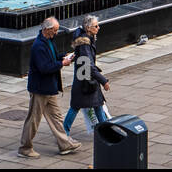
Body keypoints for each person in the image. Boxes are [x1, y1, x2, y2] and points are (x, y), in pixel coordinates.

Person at [17, 17, 80, 157]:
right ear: (48, 29)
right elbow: (44, 68)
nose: (56, 33)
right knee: (33, 119)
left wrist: (65, 56)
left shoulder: (48, 41)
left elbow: (53, 57)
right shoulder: (39, 46)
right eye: (55, 30)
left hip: (49, 88)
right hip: (39, 89)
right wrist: (62, 64)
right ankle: (25, 148)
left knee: (56, 117)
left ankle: (65, 144)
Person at [63, 15, 111, 139]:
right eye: (96, 26)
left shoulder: (86, 38)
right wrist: (103, 80)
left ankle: (104, 132)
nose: (98, 28)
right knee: (77, 106)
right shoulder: (84, 43)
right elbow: (88, 65)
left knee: (97, 105)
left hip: (84, 77)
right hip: (84, 79)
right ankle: (64, 133)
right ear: (88, 28)